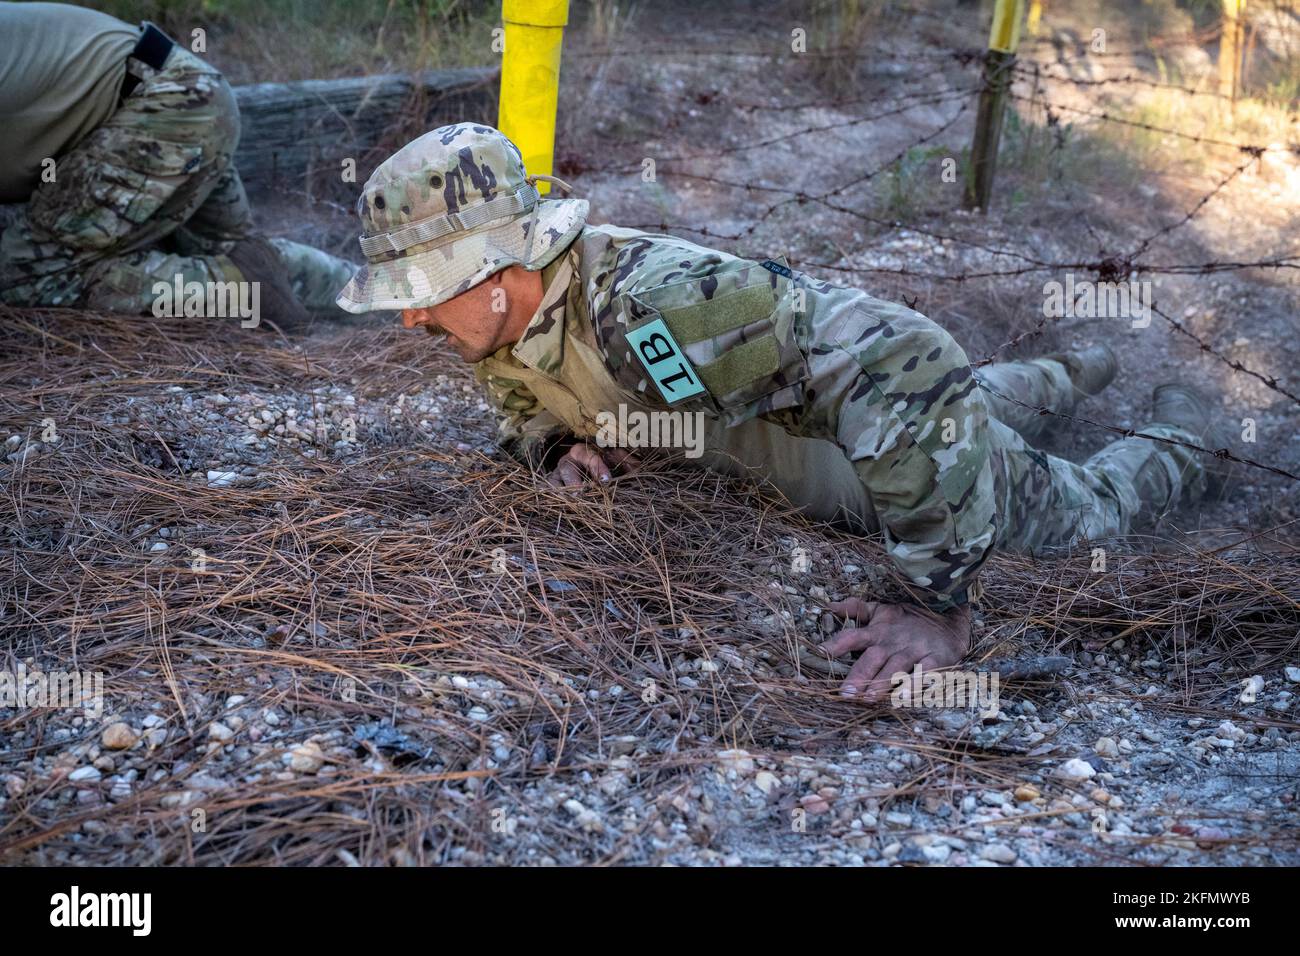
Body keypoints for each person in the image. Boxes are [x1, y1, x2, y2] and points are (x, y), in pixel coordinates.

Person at [336, 123, 1226, 701]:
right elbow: (521, 388)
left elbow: (909, 359)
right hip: (823, 435)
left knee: (1082, 505)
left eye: (423, 290)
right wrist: (554, 442)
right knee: (992, 399)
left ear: (499, 270)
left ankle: (1189, 424)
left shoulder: (661, 302)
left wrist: (938, 602)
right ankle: (1080, 366)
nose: (412, 315)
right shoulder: (499, 324)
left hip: (882, 465)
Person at [0, 2, 354, 321]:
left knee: (27, 275)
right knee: (235, 250)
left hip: (160, 110)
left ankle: (244, 288)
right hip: (182, 90)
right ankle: (382, 296)